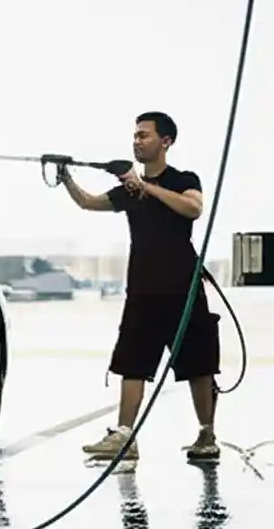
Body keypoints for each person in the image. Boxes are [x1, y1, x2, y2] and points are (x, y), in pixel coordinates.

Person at [60, 111, 221, 461]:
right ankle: (124, 437)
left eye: (144, 135)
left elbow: (193, 208)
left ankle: (206, 434)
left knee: (199, 364)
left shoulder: (183, 179)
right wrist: (65, 176)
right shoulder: (128, 192)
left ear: (166, 141)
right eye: (135, 135)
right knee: (132, 363)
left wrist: (144, 186)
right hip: (143, 290)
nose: (137, 141)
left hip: (183, 289)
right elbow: (88, 202)